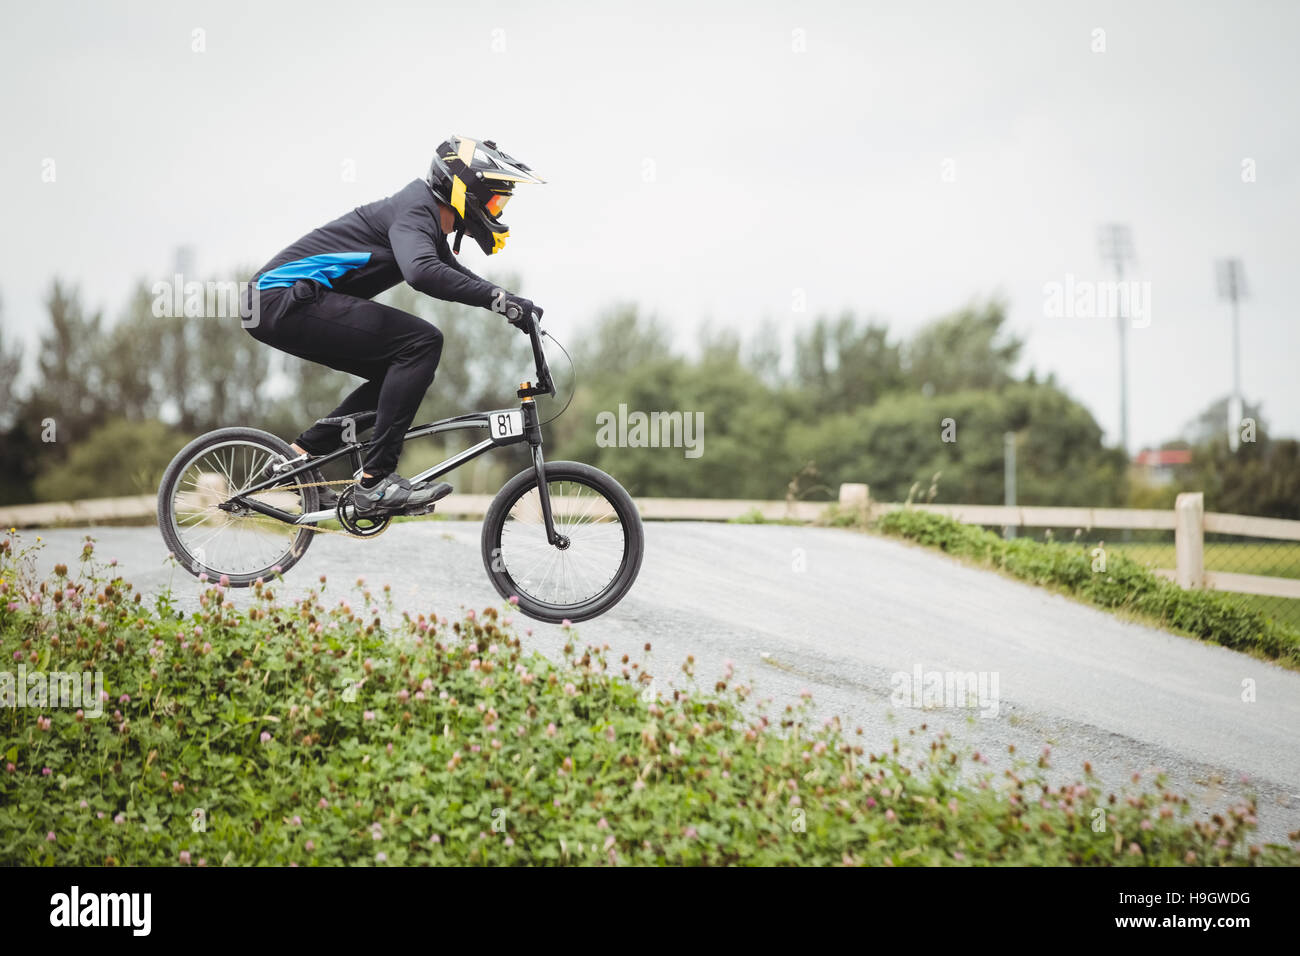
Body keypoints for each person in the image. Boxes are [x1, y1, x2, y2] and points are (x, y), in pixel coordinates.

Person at [243, 135, 544, 516]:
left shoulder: (421, 218)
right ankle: (376, 482)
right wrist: (501, 301)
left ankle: (297, 461)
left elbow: (451, 272)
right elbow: (422, 273)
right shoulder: (415, 210)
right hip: (280, 297)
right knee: (421, 343)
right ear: (466, 190)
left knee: (399, 373)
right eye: (495, 199)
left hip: (279, 304)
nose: (497, 210)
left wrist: (509, 302)